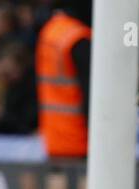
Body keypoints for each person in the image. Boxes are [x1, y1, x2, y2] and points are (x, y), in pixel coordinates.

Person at [36, 0, 92, 159]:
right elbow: (91, 92)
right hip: (79, 139)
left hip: (54, 138)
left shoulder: (49, 31)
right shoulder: (77, 38)